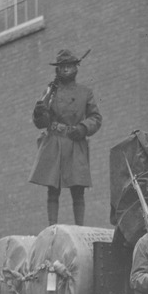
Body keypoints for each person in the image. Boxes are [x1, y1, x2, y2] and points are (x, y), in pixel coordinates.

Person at [28, 49, 102, 226]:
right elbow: (42, 122)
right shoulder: (50, 91)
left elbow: (96, 118)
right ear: (58, 70)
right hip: (55, 141)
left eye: (70, 66)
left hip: (75, 141)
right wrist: (39, 113)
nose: (66, 69)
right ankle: (52, 226)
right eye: (63, 66)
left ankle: (80, 228)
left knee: (78, 188)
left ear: (76, 68)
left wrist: (83, 128)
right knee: (53, 188)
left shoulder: (85, 92)